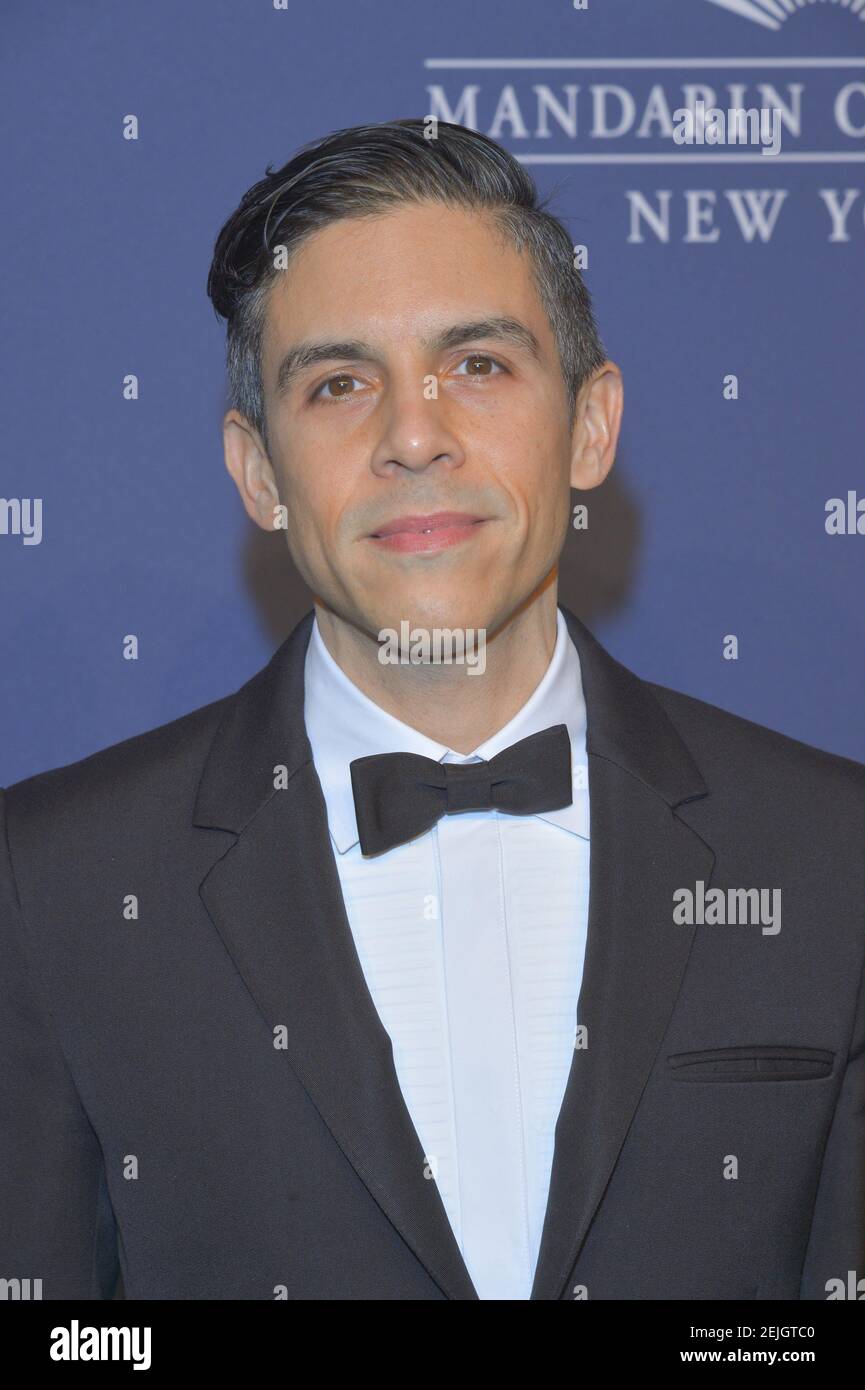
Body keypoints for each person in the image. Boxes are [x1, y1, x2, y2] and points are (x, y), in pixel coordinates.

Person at [1, 119, 862, 1301]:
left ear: (591, 424)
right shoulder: (51, 888)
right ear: (258, 473)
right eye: (339, 383)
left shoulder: (833, 858)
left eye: (478, 365)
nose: (414, 436)